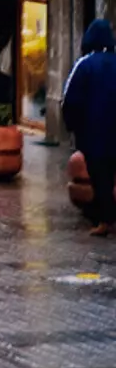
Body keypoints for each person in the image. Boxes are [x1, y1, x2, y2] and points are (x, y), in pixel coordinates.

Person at [63, 19, 116, 236]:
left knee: (100, 176)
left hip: (94, 134)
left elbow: (70, 100)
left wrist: (73, 127)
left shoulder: (84, 65)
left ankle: (105, 220)